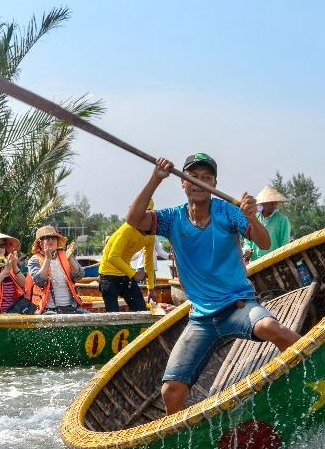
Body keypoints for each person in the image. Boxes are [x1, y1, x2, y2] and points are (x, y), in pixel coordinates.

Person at [126, 153, 301, 415]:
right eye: (192, 177)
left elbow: (264, 243)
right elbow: (134, 219)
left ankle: (311, 375)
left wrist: (252, 217)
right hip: (202, 318)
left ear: (214, 183)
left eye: (206, 178)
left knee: (270, 327)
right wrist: (156, 178)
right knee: (170, 392)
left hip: (238, 305)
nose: (199, 182)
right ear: (182, 183)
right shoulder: (173, 218)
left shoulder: (227, 211)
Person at [98, 201, 158, 312]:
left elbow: (148, 261)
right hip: (108, 276)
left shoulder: (150, 235)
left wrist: (151, 288)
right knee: (113, 316)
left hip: (126, 275)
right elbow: (113, 256)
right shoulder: (127, 229)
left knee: (141, 310)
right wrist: (134, 274)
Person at [26, 226, 88, 314]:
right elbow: (40, 281)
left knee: (90, 318)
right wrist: (47, 259)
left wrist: (70, 259)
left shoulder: (66, 255)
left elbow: (79, 276)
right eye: (47, 238)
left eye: (54, 237)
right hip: (46, 309)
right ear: (40, 243)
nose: (51, 240)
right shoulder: (34, 260)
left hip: (70, 307)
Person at [242, 185, 291, 262]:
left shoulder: (283, 220)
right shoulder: (253, 219)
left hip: (275, 262)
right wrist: (247, 250)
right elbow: (247, 240)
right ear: (262, 203)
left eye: (275, 202)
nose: (273, 205)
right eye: (270, 202)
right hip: (255, 263)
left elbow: (285, 244)